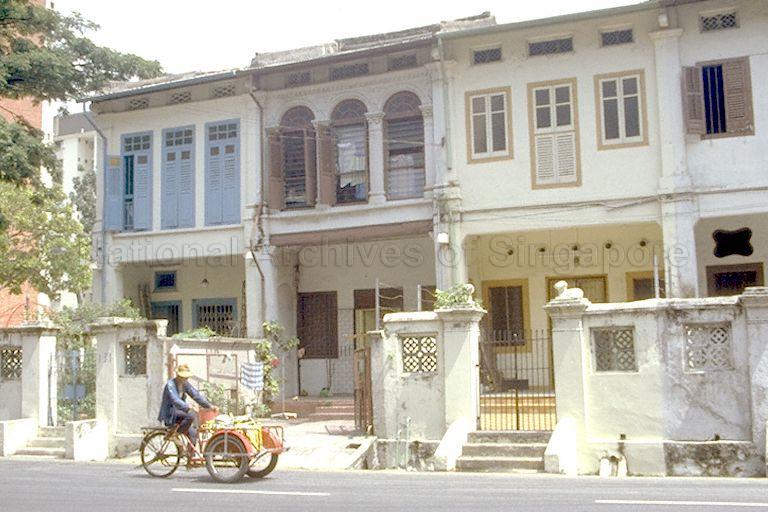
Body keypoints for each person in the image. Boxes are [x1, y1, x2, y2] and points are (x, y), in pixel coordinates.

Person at [158, 364, 218, 448]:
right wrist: (188, 406)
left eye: (186, 377)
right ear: (178, 376)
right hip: (171, 414)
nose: (185, 379)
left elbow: (196, 395)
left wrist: (209, 406)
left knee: (193, 434)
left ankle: (189, 456)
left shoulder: (185, 384)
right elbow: (175, 400)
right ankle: (173, 434)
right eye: (183, 377)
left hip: (180, 415)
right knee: (191, 415)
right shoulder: (170, 385)